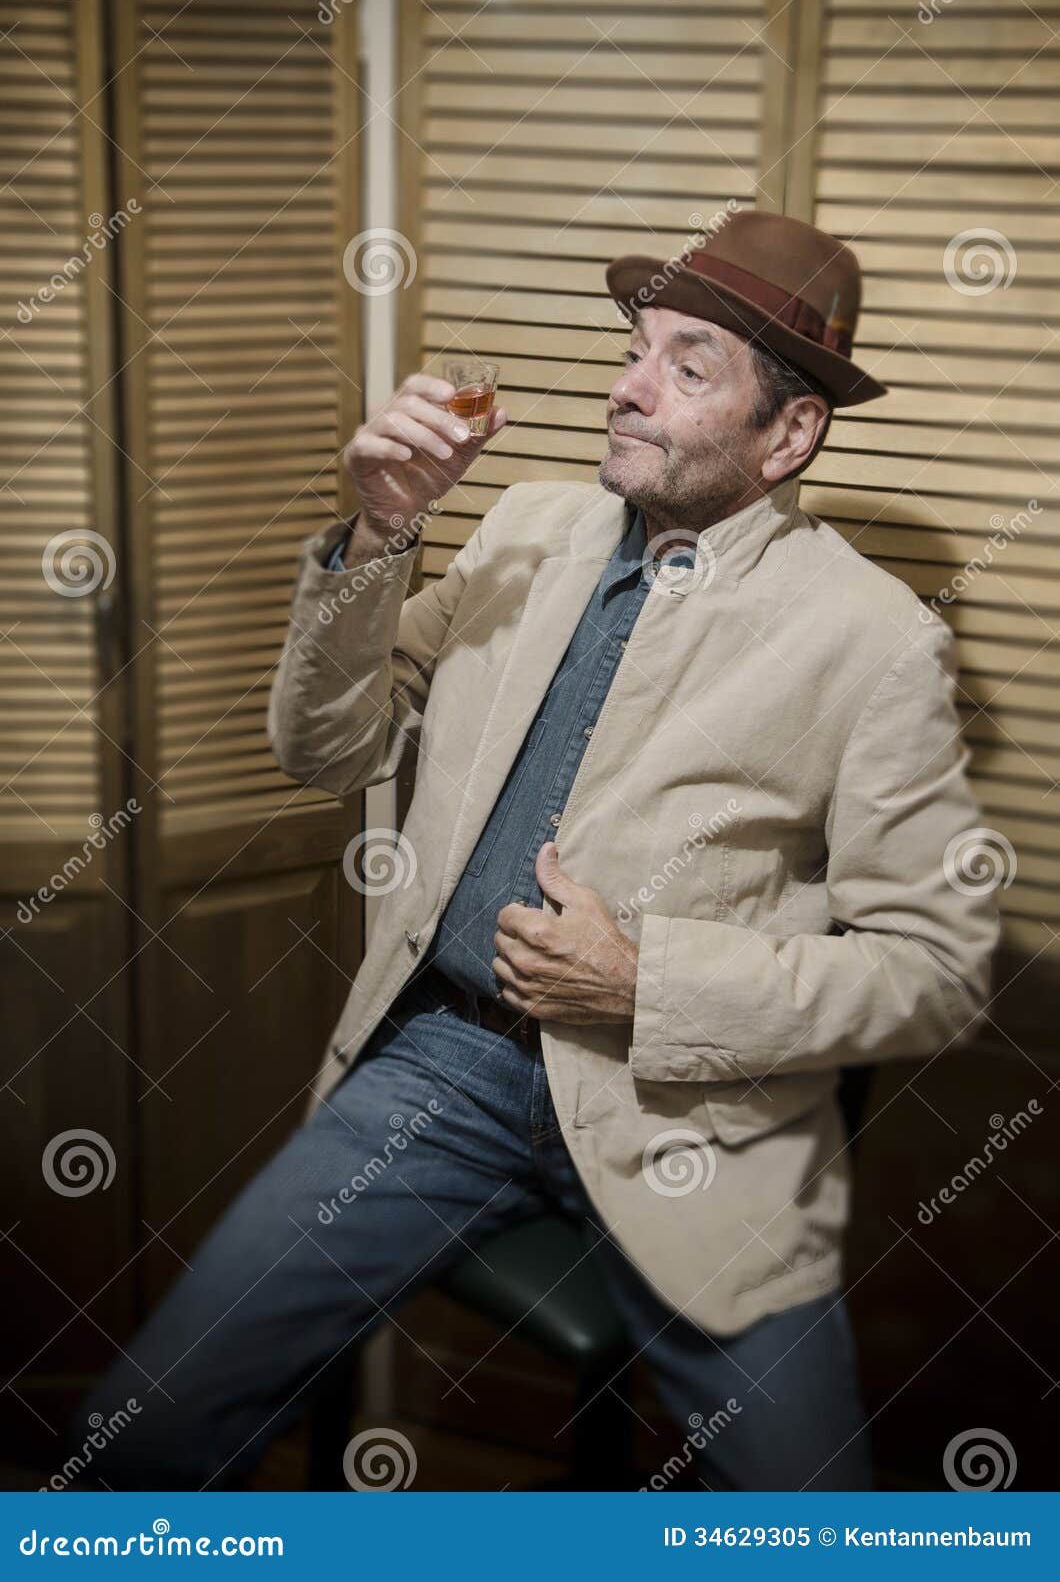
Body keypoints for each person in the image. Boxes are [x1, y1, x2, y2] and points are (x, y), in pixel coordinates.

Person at [72, 210, 999, 1491]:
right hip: (443, 1069)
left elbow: (937, 970)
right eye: (636, 346)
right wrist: (375, 537)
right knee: (135, 1440)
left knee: (820, 1525)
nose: (627, 386)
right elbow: (324, 750)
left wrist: (646, 986)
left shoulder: (872, 638)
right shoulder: (523, 526)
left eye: (689, 366)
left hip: (692, 1119)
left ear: (789, 433)